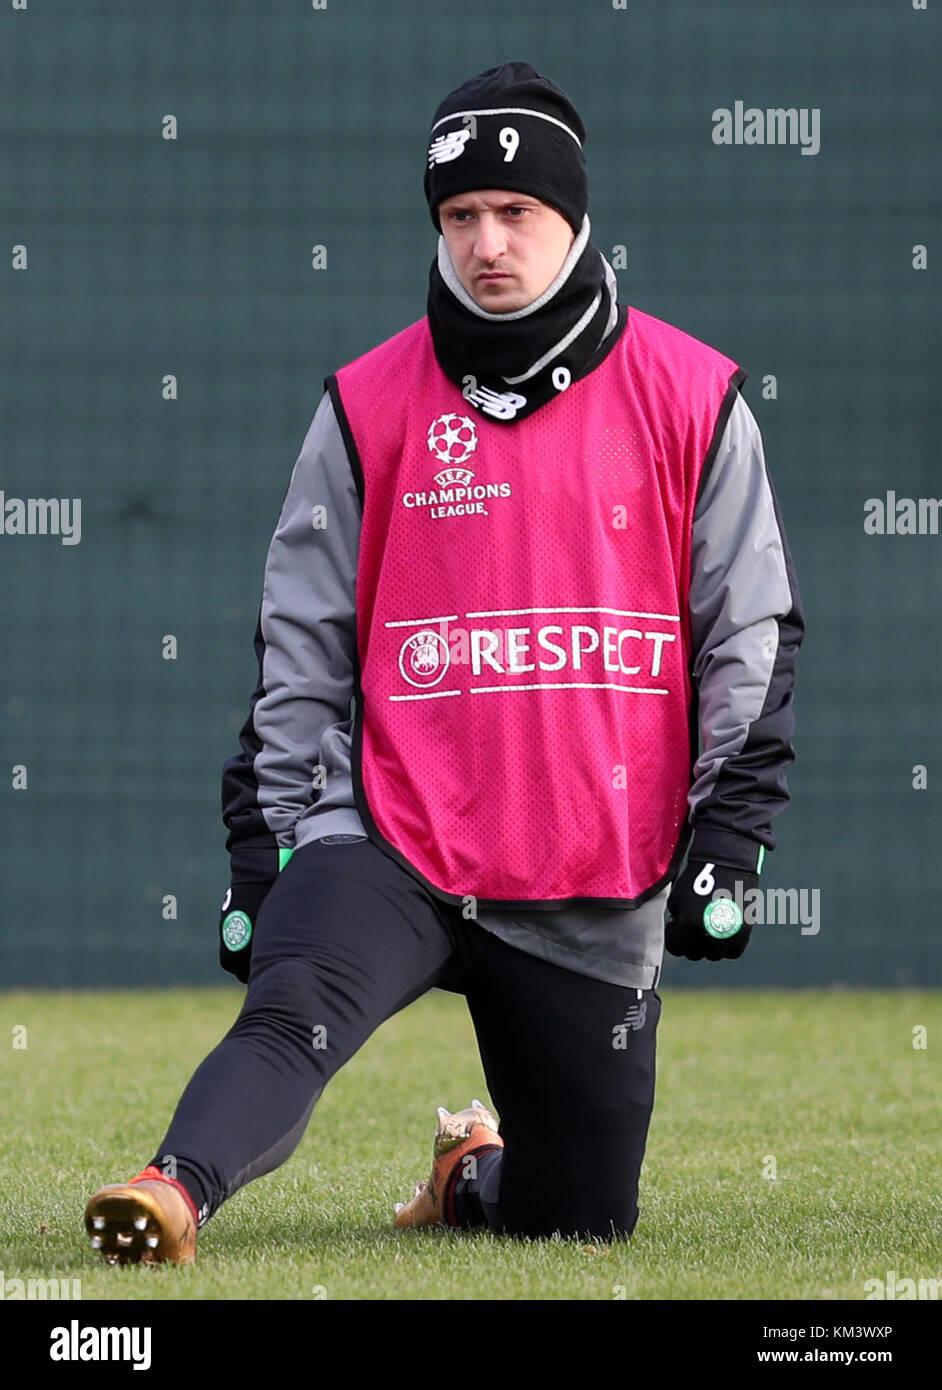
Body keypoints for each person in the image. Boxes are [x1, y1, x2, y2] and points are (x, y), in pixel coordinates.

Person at [83, 60, 803, 1265]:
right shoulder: (366, 404)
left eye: (516, 214)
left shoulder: (695, 394)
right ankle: (169, 1191)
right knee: (289, 1009)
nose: (488, 243)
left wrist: (730, 837)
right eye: (460, 216)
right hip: (390, 829)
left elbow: (754, 634)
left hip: (593, 860)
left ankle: (472, 1174)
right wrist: (259, 857)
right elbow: (298, 642)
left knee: (582, 1219)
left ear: (575, 219)